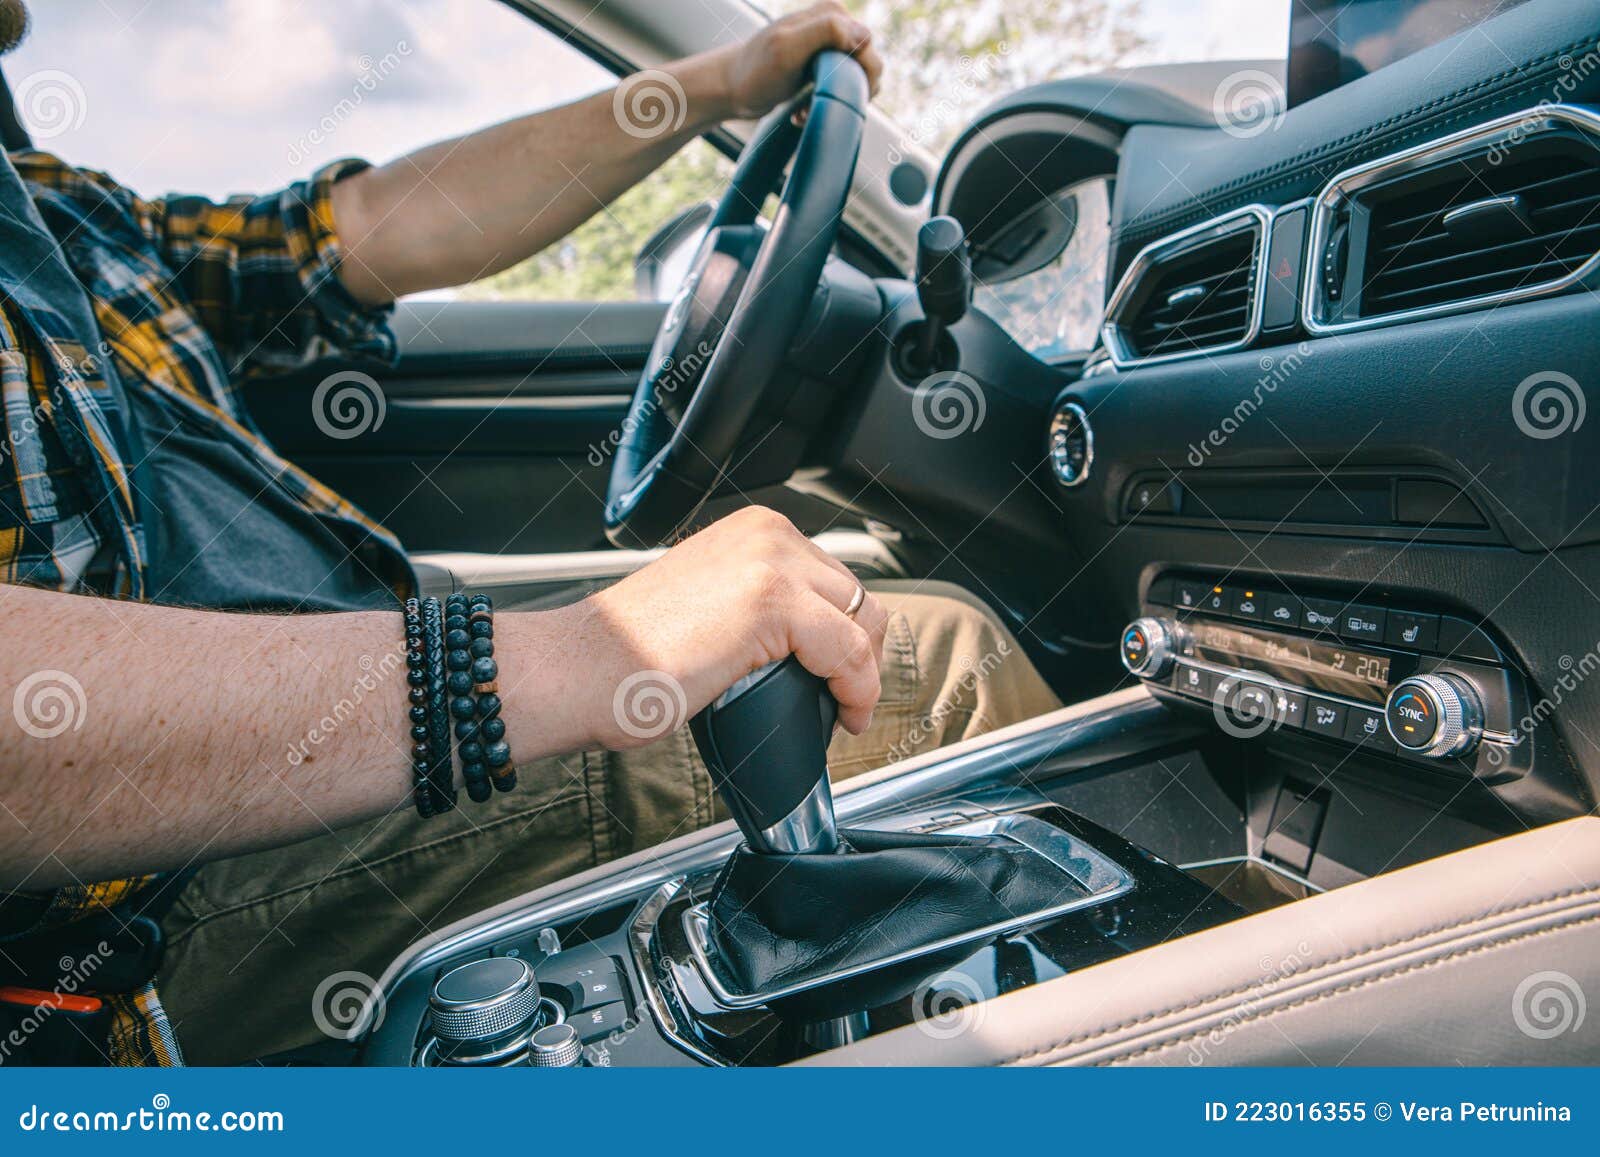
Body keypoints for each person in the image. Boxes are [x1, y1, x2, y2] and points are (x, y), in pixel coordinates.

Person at [0, 0, 1059, 1064]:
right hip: (132, 929)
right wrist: (579, 655)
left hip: (352, 730)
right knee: (942, 666)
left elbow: (372, 227)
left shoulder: (56, 211)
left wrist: (713, 86)